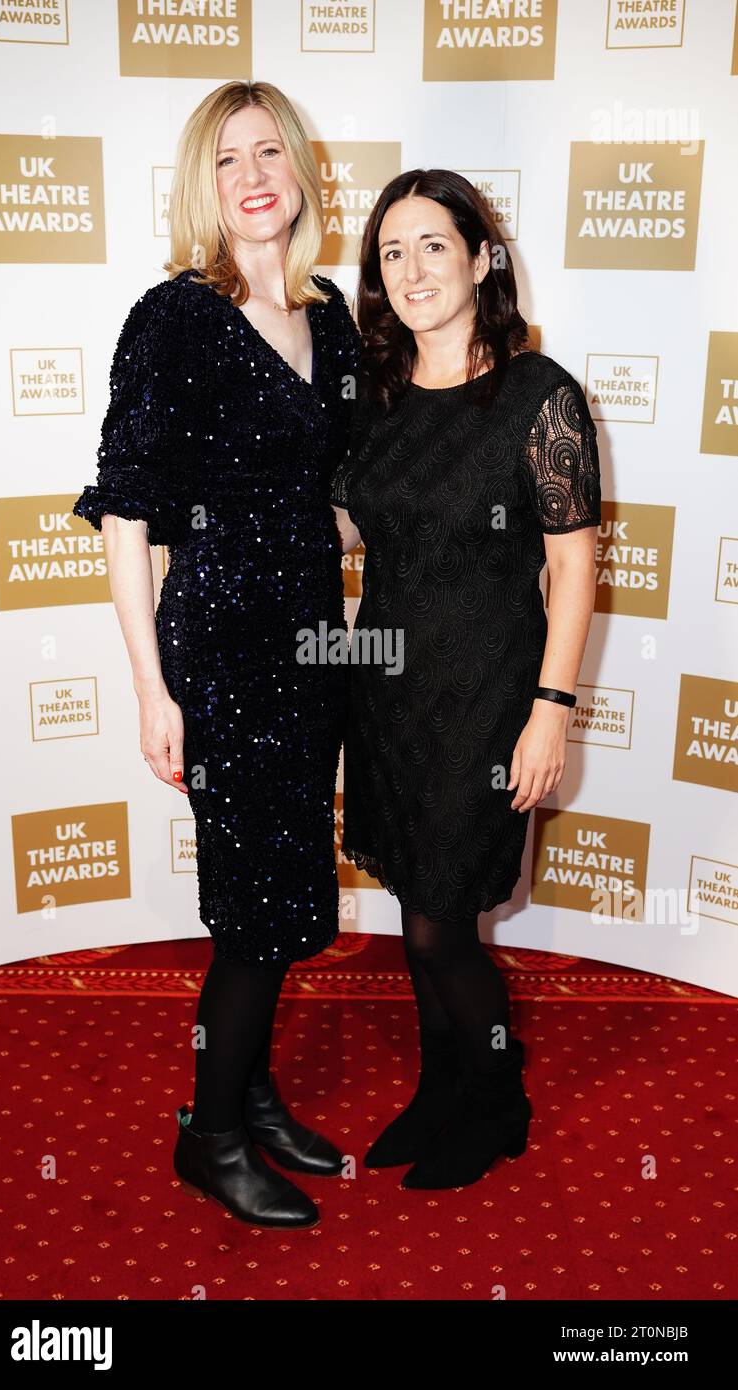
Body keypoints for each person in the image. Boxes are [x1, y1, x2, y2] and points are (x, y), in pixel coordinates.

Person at [73, 81, 361, 1228]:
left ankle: (254, 1087)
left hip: (313, 640)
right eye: (229, 155)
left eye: (271, 151)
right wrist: (152, 690)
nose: (253, 174)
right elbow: (129, 516)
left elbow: (338, 495)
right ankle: (212, 1133)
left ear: (298, 171)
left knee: (289, 889)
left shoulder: (330, 315)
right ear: (206, 182)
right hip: (223, 649)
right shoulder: (173, 318)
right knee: (251, 907)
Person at [330, 169, 602, 1190]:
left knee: (446, 924)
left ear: (483, 257)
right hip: (389, 691)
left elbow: (573, 565)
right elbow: (352, 524)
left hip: (490, 694)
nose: (410, 270)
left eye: (432, 245)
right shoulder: (376, 399)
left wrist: (551, 713)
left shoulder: (540, 397)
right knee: (415, 909)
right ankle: (442, 1086)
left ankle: (498, 1095)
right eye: (391, 253)